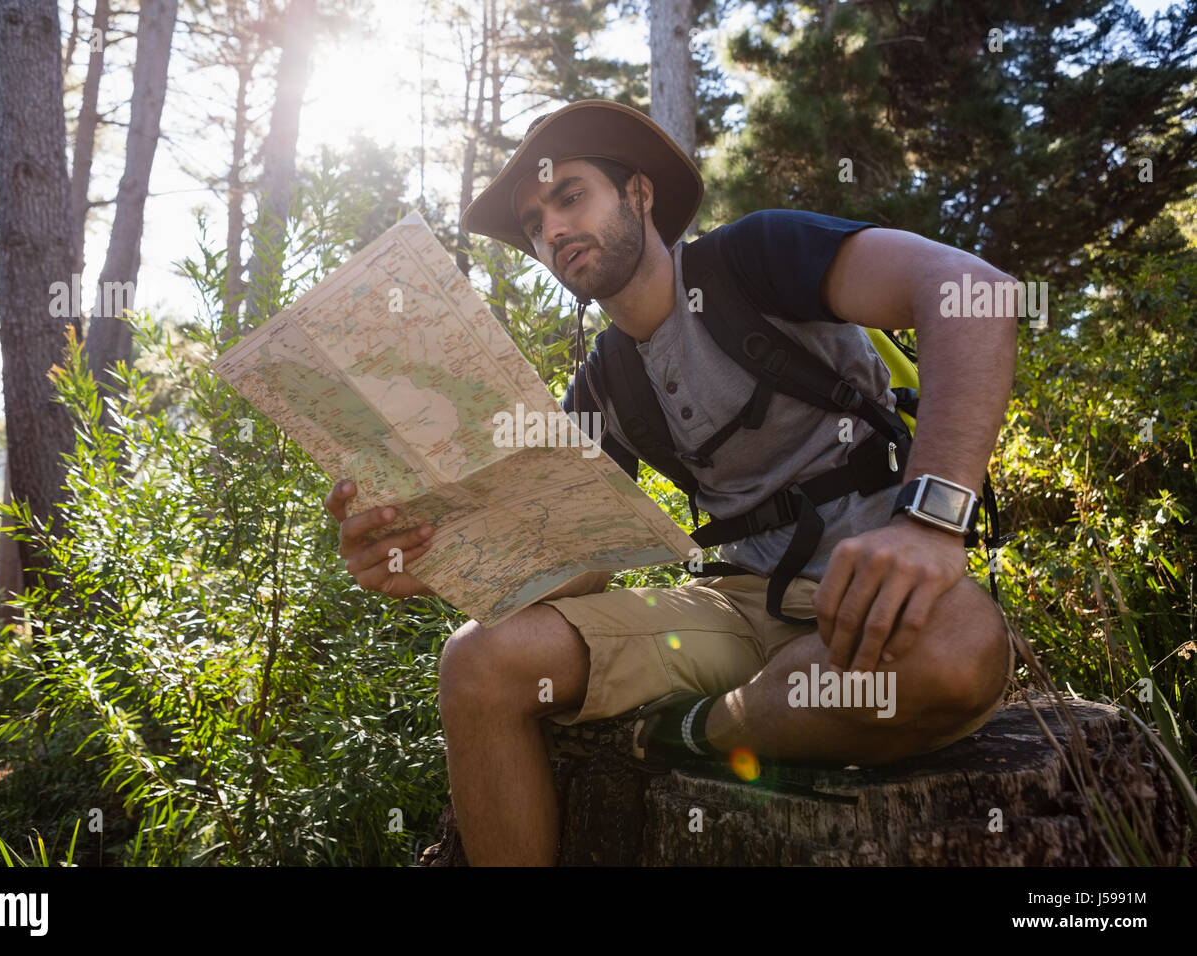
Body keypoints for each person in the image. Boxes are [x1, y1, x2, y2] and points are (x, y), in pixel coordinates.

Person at [324, 99, 1018, 866]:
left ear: (641, 195)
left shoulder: (757, 256)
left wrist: (929, 522)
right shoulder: (601, 386)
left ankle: (694, 729)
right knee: (478, 663)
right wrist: (431, 559)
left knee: (956, 653)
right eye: (533, 224)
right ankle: (755, 710)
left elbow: (970, 290)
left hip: (879, 594)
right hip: (733, 608)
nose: (551, 231)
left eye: (569, 196)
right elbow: (576, 561)